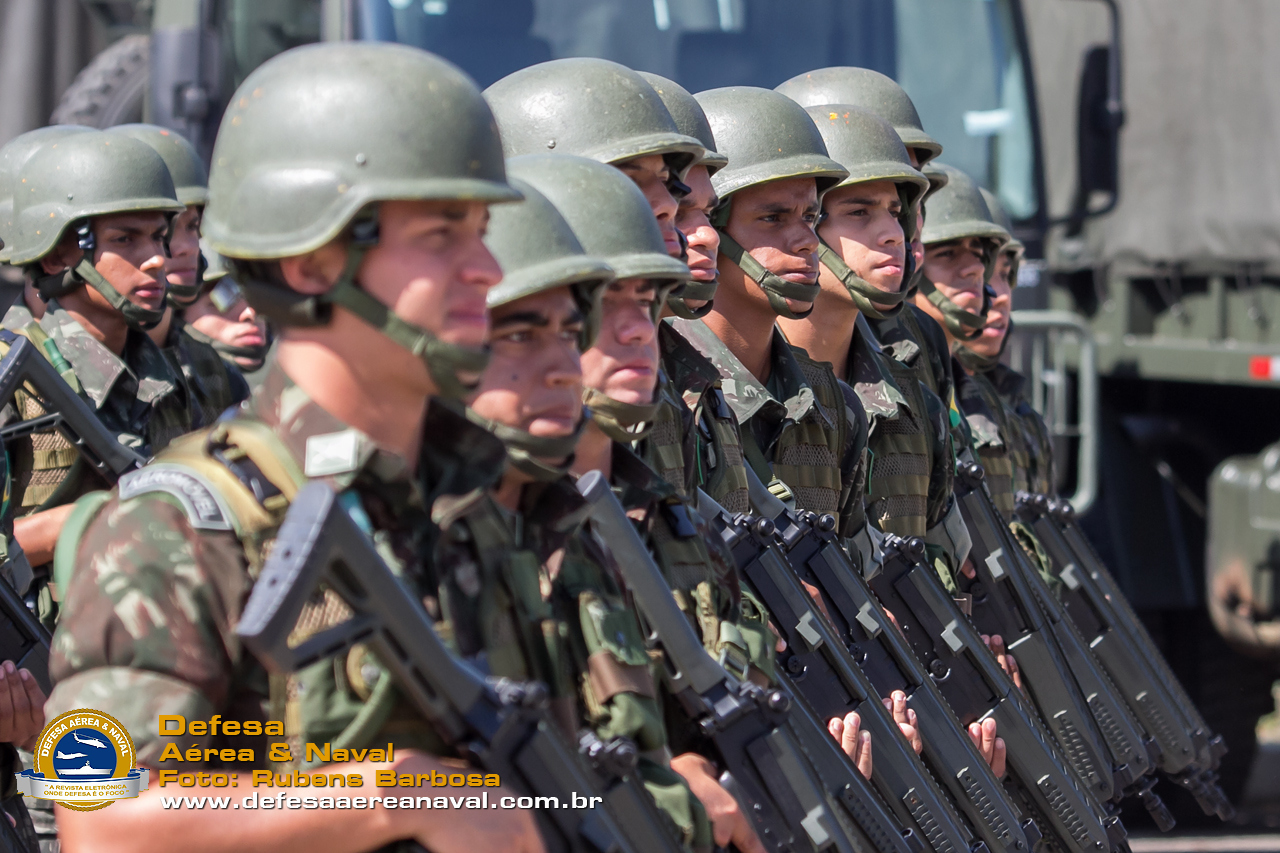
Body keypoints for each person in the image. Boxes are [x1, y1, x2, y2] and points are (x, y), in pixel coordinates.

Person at [45, 42, 547, 853]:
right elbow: (101, 819)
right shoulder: (179, 521)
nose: (487, 269)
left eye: (482, 233)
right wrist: (395, 794)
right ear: (315, 260)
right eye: (442, 236)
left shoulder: (474, 497)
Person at [108, 124, 249, 426]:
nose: (186, 248)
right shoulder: (71, 368)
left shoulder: (217, 375)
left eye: (193, 226)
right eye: (165, 231)